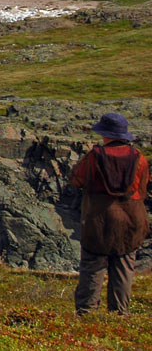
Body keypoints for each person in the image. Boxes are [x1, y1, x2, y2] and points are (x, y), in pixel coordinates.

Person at [70, 112, 149, 316]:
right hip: (131, 219)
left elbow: (76, 179)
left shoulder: (94, 157)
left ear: (105, 134)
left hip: (99, 219)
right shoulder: (139, 158)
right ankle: (119, 314)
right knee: (123, 266)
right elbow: (141, 189)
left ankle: (86, 312)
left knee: (93, 265)